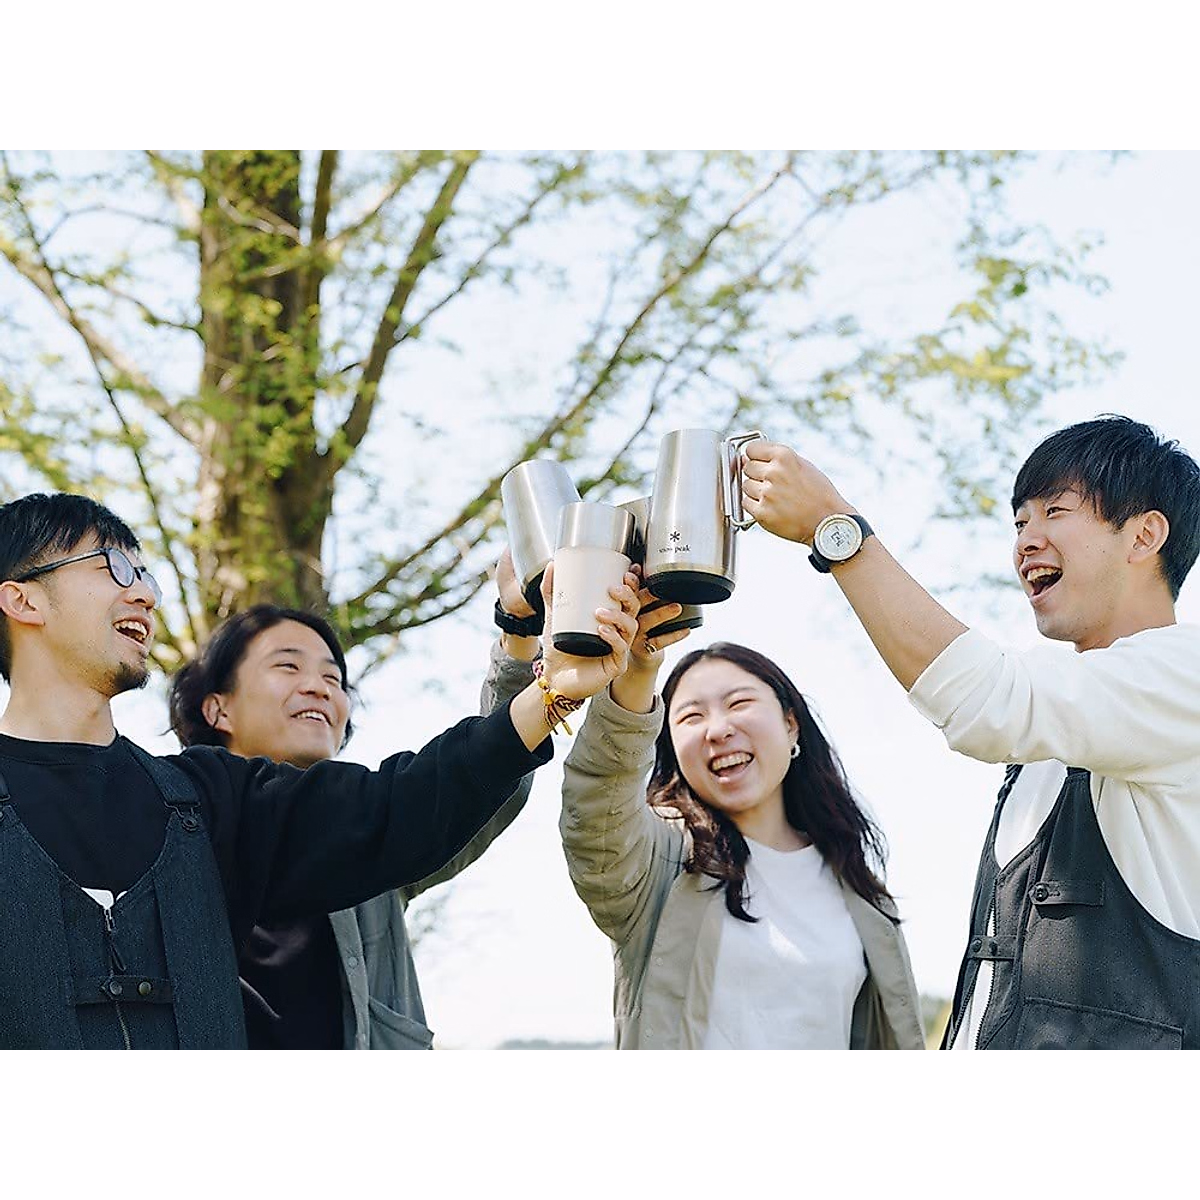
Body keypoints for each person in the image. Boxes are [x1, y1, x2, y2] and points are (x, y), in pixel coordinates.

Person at [0, 492, 637, 1049]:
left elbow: (407, 801)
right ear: (22, 599)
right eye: (113, 567)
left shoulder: (206, 802)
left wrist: (550, 687)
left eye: (146, 575)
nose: (143, 593)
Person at [740, 414, 1200, 1049]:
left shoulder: (1185, 673)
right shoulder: (1055, 737)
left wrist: (836, 529)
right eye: (1019, 523)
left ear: (1144, 535)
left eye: (1055, 512)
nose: (1026, 542)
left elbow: (986, 701)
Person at [166, 555, 543, 1050]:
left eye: (334, 679)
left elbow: (487, 785)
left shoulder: (374, 832)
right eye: (287, 666)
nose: (318, 688)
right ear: (218, 708)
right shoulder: (171, 836)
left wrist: (519, 634)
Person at [558, 591, 924, 1049]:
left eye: (739, 703)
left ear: (790, 724)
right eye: (691, 716)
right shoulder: (660, 862)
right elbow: (596, 812)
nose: (718, 729)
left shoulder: (859, 889)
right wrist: (636, 673)